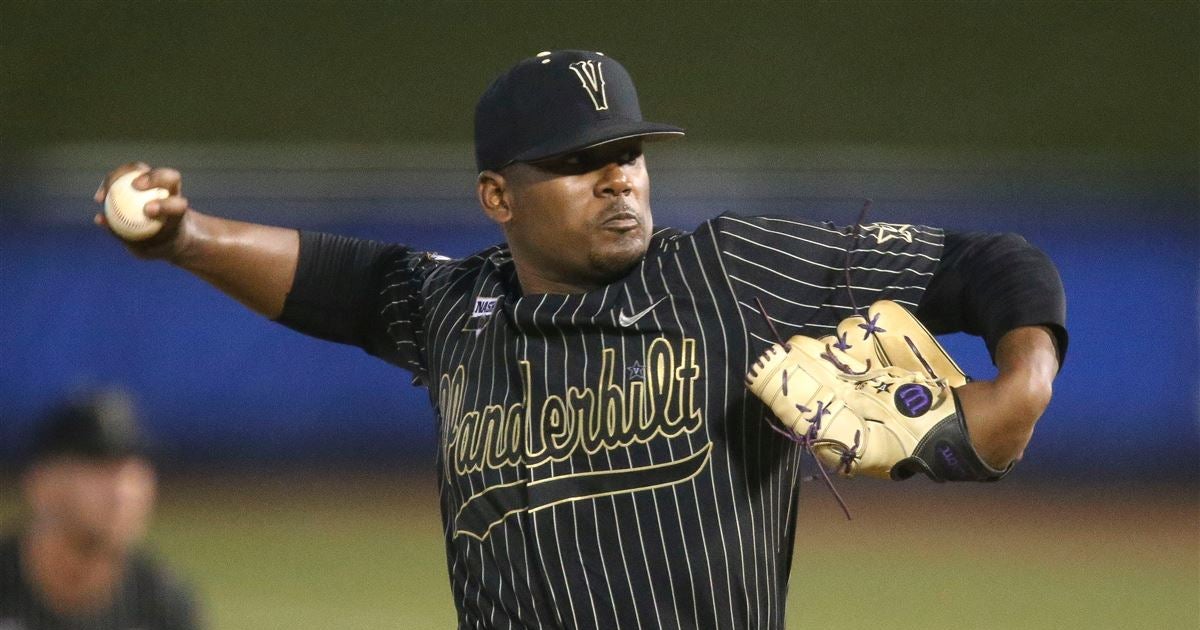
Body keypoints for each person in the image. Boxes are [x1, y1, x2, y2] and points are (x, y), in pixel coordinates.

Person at [93, 50, 1066, 629]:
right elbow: (332, 280)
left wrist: (1020, 384)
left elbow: (993, 261)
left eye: (628, 153)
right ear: (496, 197)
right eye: (577, 162)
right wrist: (183, 236)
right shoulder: (452, 311)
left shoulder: (728, 271)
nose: (619, 179)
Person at [0, 391, 203, 630]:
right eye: (99, 468)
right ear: (42, 484)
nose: (122, 491)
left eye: (133, 469)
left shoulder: (162, 604)